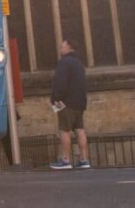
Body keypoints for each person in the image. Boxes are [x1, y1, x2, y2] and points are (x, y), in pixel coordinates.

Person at [49, 37, 90, 170]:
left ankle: (65, 160)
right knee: (80, 130)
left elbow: (61, 83)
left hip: (66, 102)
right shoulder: (79, 63)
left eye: (62, 46)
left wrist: (56, 98)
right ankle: (84, 159)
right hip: (80, 103)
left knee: (64, 130)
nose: (60, 49)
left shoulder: (65, 62)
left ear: (69, 47)